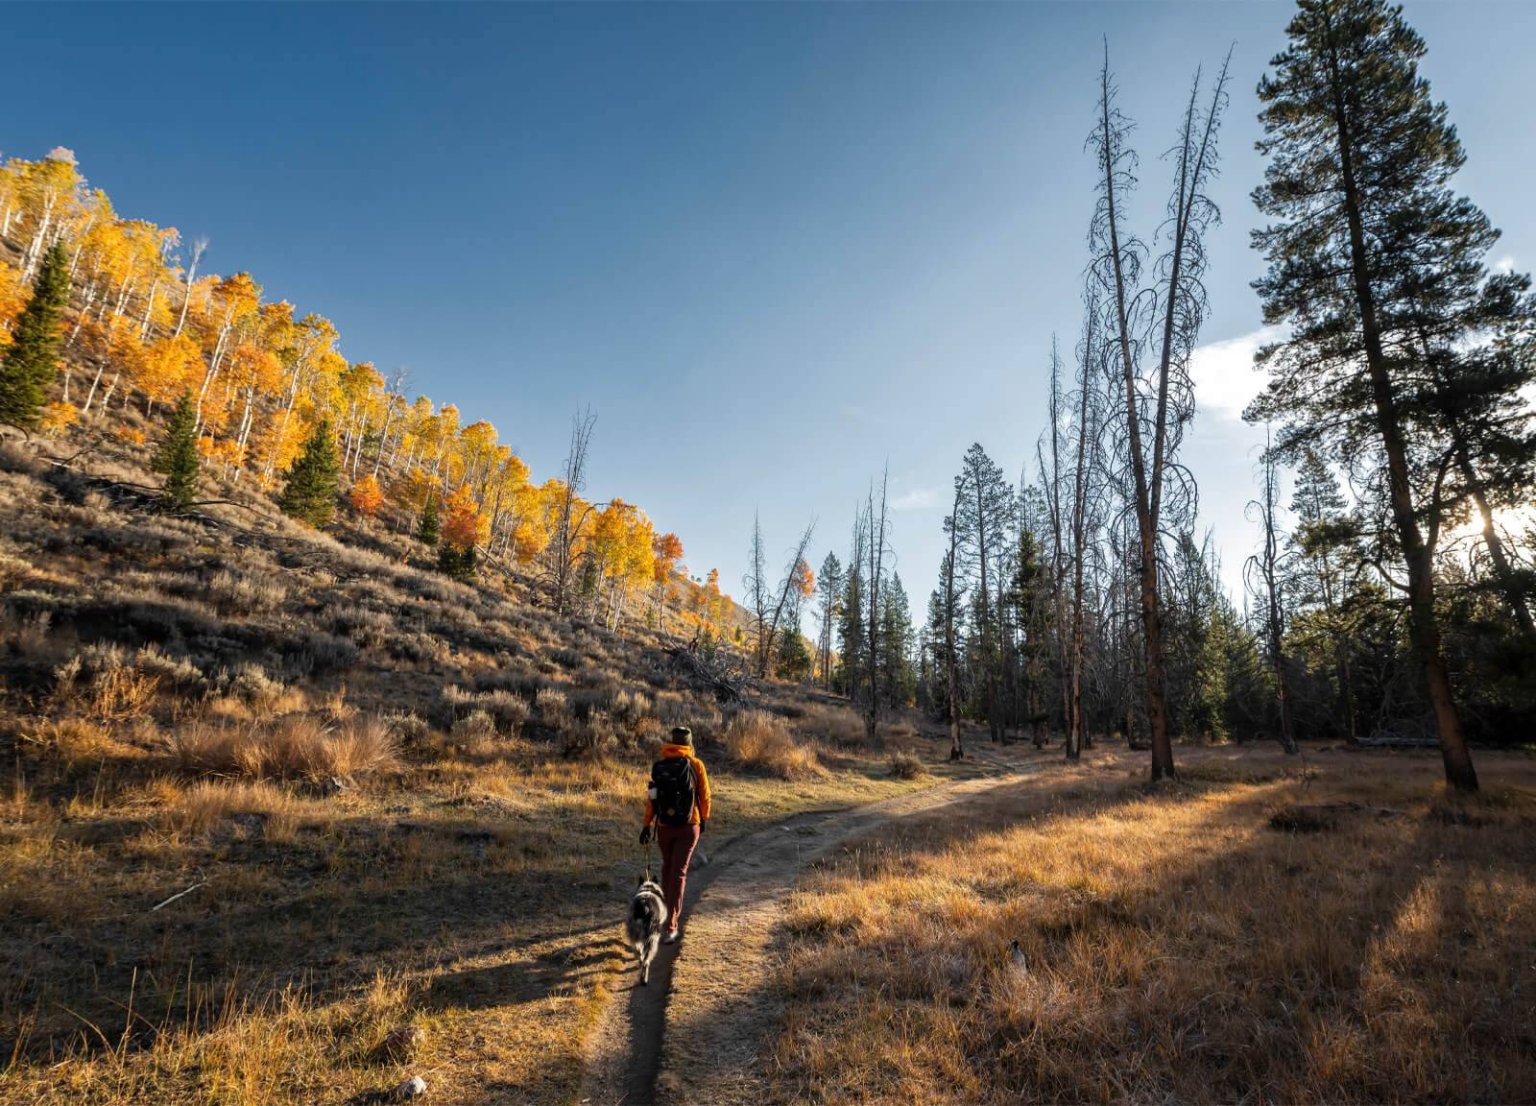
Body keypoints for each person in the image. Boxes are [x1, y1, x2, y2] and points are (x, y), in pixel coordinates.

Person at [638, 725, 711, 943]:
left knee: (668, 868)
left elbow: (653, 798)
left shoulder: (659, 766)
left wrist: (647, 824)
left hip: (664, 828)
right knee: (679, 872)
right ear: (689, 743)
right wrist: (704, 818)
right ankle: (670, 927)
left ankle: (662, 918)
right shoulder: (696, 765)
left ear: (672, 742)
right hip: (689, 826)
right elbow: (705, 796)